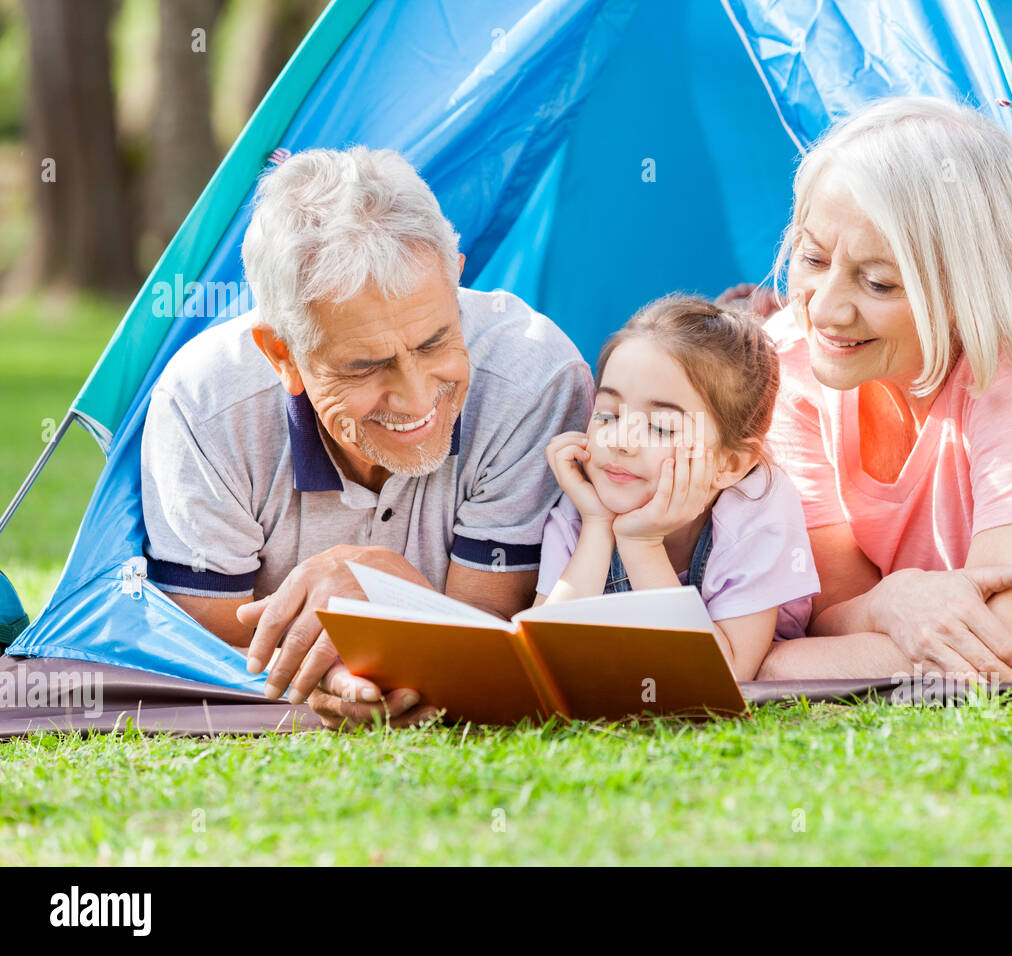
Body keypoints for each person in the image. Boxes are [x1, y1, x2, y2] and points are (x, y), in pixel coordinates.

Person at [139, 146, 593, 727]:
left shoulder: (534, 379)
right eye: (364, 366)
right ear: (283, 354)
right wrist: (327, 677)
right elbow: (207, 640)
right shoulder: (204, 406)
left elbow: (495, 624)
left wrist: (386, 588)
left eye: (434, 342)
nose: (416, 398)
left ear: (455, 274)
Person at [751, 96, 1012, 684]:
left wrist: (774, 665)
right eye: (813, 258)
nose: (825, 309)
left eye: (878, 282)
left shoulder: (1010, 363)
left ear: (966, 288)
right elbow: (833, 611)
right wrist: (889, 602)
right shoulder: (792, 365)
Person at [535, 295, 820, 681]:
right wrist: (598, 527)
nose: (622, 440)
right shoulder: (585, 503)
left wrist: (642, 545)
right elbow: (543, 657)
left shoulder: (757, 510)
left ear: (730, 464)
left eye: (661, 427)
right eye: (608, 414)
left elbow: (719, 675)